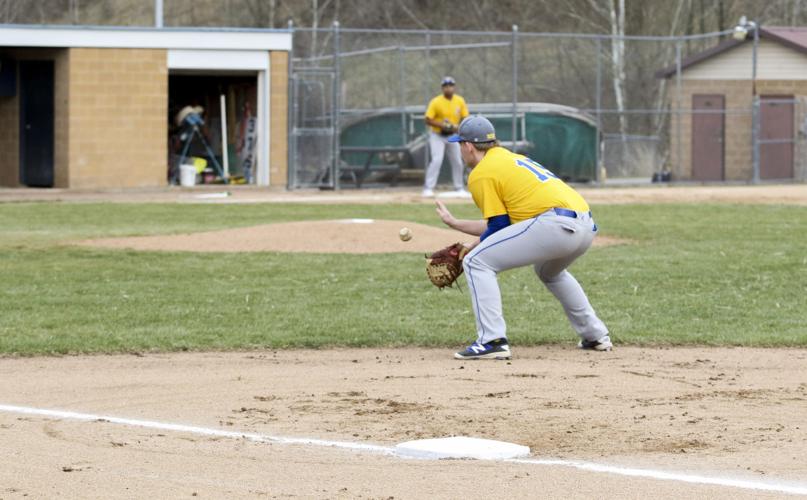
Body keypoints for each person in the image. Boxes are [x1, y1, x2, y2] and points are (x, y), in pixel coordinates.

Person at [435, 115, 611, 360]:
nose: (461, 150)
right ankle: (595, 335)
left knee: (476, 261)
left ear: (468, 146)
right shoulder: (511, 159)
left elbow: (497, 226)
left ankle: (492, 341)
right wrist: (455, 224)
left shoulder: (482, 173)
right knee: (549, 272)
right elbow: (505, 224)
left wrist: (471, 248)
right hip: (584, 225)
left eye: (460, 145)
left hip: (554, 225)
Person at [423, 76, 470, 198]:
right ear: (442, 88)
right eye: (446, 86)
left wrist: (459, 127)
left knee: (458, 161)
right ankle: (428, 188)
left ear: (454, 87)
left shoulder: (459, 100)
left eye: (450, 85)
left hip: (453, 135)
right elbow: (428, 119)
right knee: (437, 160)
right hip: (437, 135)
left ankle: (459, 187)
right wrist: (444, 125)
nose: (448, 88)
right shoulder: (436, 101)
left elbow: (465, 117)